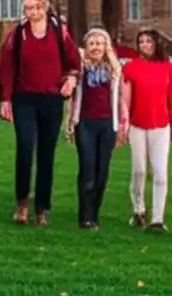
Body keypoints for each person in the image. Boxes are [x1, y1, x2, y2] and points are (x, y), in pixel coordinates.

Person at [0, 0, 81, 227]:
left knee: (47, 153)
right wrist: (5, 98)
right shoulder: (18, 33)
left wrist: (71, 81)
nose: (32, 12)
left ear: (44, 8)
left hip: (51, 99)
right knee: (25, 147)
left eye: (36, 8)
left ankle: (42, 208)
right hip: (24, 98)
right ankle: (22, 203)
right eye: (28, 9)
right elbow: (7, 66)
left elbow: (74, 62)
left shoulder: (58, 31)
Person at [120, 28, 172, 232]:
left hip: (161, 125)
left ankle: (157, 219)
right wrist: (123, 124)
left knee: (160, 173)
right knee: (139, 170)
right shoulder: (130, 67)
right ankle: (138, 209)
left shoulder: (166, 66)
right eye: (141, 41)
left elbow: (170, 94)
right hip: (137, 125)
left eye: (148, 41)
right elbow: (125, 99)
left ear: (156, 44)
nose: (144, 45)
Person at [65, 28, 122, 230]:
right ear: (86, 47)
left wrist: (122, 124)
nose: (96, 47)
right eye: (92, 43)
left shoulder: (114, 71)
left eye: (100, 43)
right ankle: (85, 216)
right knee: (87, 170)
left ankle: (95, 212)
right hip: (86, 124)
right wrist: (70, 123)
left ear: (106, 47)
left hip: (107, 125)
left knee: (102, 172)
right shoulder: (80, 69)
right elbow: (72, 98)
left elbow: (121, 99)